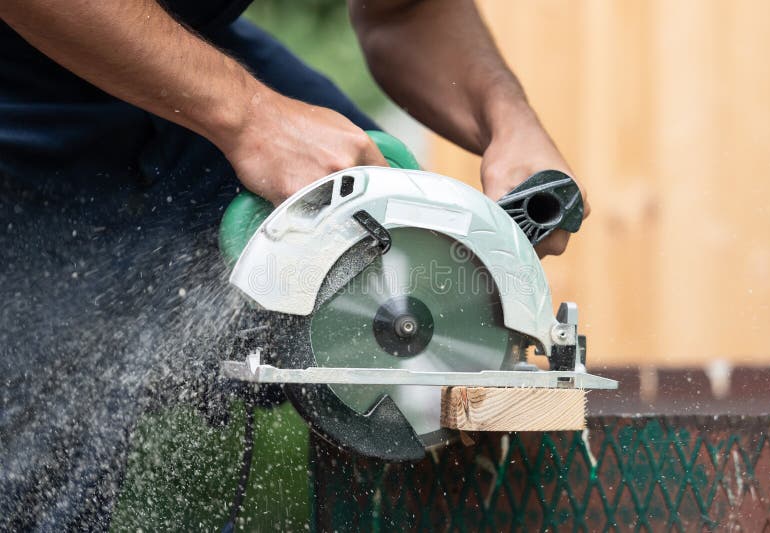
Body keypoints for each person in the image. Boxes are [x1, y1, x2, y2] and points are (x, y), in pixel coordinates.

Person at [0, 0, 589, 529]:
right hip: (28, 77)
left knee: (391, 238)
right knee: (38, 457)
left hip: (179, 45)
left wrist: (508, 119)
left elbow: (404, 11)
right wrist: (250, 117)